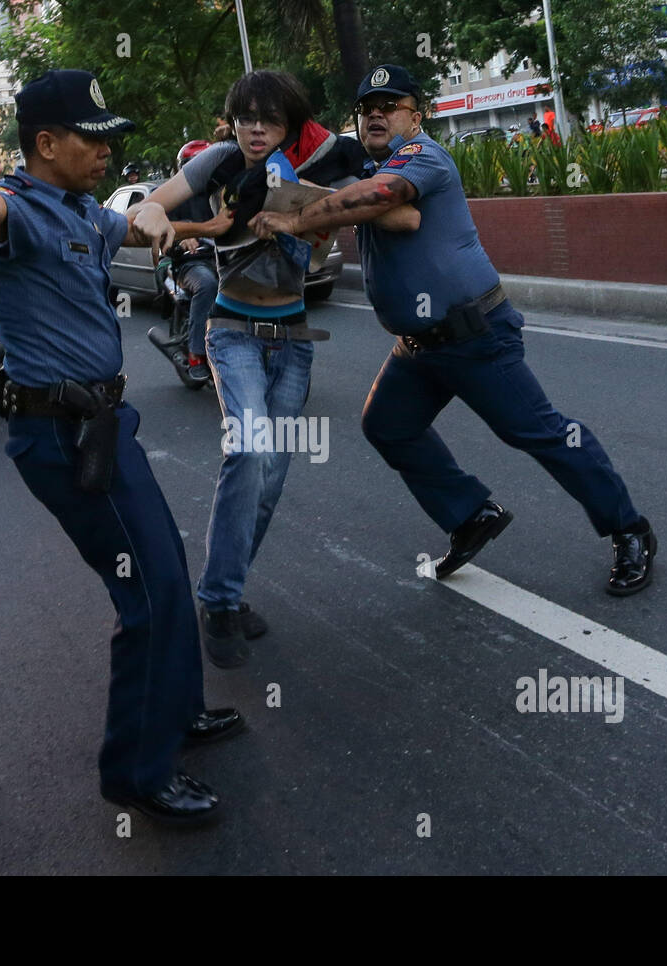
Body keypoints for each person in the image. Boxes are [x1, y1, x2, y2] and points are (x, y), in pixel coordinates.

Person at [0, 70, 242, 826]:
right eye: (95, 140)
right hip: (61, 433)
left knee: (164, 566)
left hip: (104, 427)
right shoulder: (18, 213)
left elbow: (161, 205)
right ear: (46, 143)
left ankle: (178, 711)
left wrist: (186, 203)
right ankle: (138, 773)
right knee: (146, 594)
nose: (108, 155)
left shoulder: (83, 210)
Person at [250, 64, 657, 596]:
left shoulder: (425, 158)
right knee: (388, 426)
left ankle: (629, 529)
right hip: (418, 348)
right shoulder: (366, 173)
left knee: (539, 432)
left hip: (474, 335)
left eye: (390, 105)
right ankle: (470, 514)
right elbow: (371, 214)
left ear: (415, 116)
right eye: (367, 108)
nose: (376, 114)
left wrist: (294, 215)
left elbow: (383, 199)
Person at [142, 70, 419, 668]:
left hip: (293, 343)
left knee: (270, 478)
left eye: (269, 119)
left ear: (289, 125)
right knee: (248, 450)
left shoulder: (321, 167)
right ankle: (218, 603)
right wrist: (156, 216)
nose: (256, 129)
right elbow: (153, 203)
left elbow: (396, 217)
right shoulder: (218, 162)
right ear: (233, 122)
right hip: (232, 333)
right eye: (246, 118)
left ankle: (227, 590)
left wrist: (324, 206)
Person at [166, 139, 219, 385]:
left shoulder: (223, 192)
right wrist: (180, 240)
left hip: (224, 259)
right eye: (194, 166)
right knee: (207, 285)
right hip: (190, 263)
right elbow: (162, 234)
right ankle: (197, 353)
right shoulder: (174, 197)